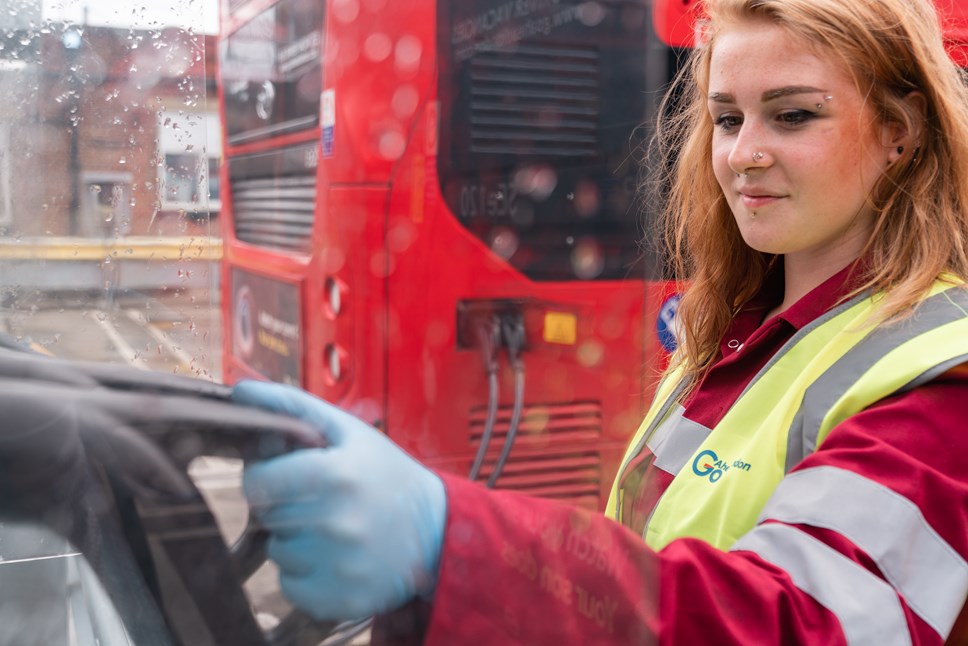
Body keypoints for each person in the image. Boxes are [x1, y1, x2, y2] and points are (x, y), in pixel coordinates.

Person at [233, 0, 968, 642]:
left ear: (898, 131)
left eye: (794, 115)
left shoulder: (939, 379)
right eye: (726, 119)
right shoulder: (739, 327)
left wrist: (451, 540)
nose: (744, 155)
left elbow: (795, 623)